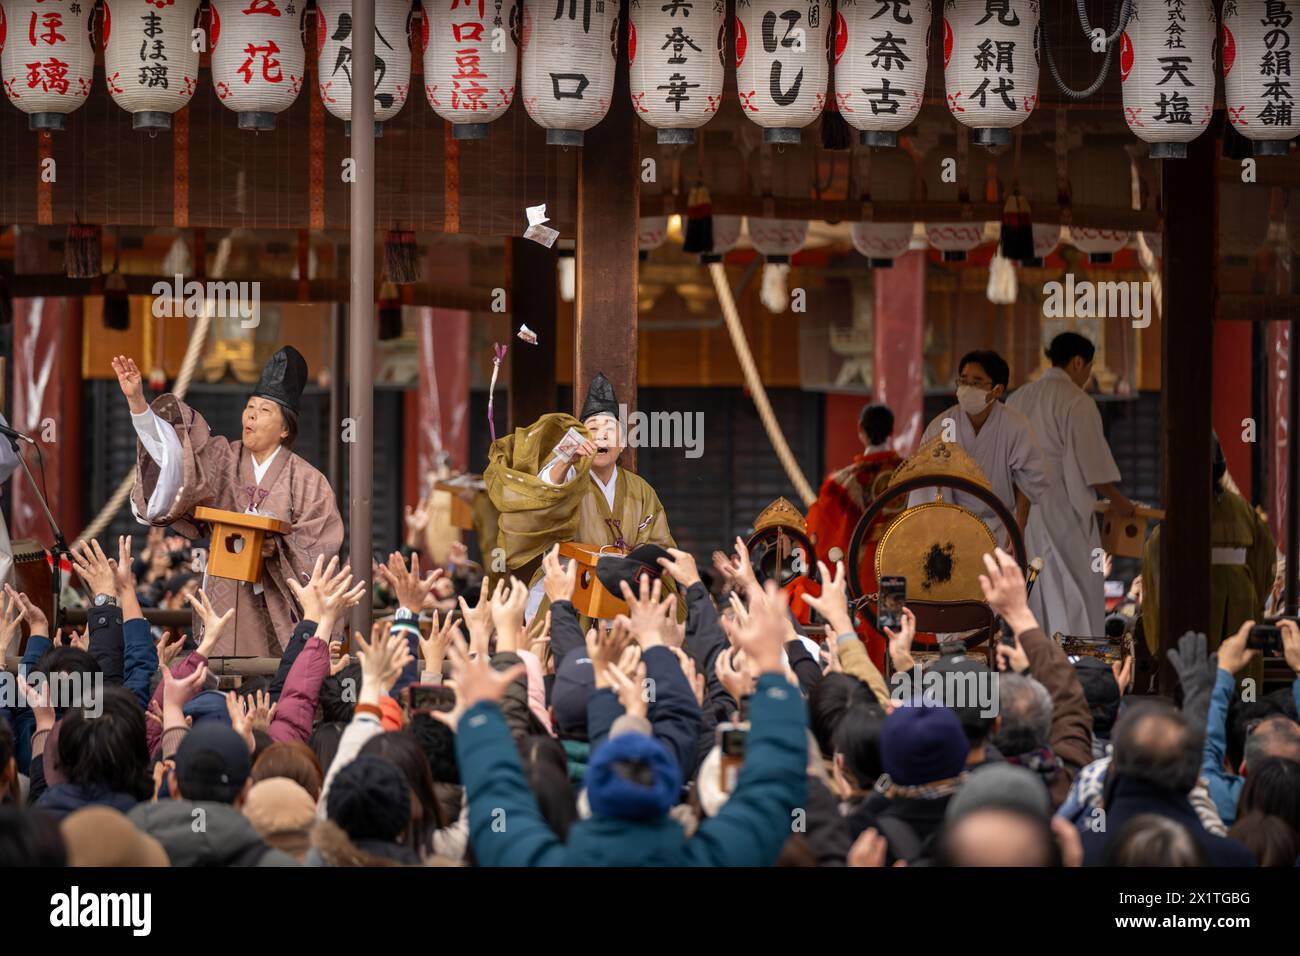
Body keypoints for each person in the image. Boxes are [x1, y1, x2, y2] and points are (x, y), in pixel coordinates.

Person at [113, 347, 344, 657]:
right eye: (250, 407)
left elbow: (320, 551)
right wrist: (138, 404)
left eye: (264, 411)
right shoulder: (223, 458)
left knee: (273, 686)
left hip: (275, 607)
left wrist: (278, 548)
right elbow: (176, 458)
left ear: (285, 428)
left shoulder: (308, 481)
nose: (251, 415)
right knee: (220, 683)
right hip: (223, 595)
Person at [485, 372, 675, 623]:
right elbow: (540, 497)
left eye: (610, 430)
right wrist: (565, 458)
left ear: (623, 444)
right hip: (568, 584)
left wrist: (639, 554)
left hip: (622, 589)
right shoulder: (569, 475)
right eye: (593, 429)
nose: (601, 436)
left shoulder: (641, 490)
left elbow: (659, 542)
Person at [1006, 333, 1134, 637]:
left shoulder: (1017, 398)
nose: (1088, 376)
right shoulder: (1077, 401)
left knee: (1036, 589)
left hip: (1022, 512)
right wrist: (1121, 504)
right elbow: (1095, 469)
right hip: (1065, 509)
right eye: (1088, 368)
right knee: (1076, 588)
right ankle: (1079, 666)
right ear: (1078, 362)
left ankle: (1037, 664)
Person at [1142, 432, 1275, 662]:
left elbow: (1155, 563)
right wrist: (1252, 595)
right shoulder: (1241, 508)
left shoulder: (1179, 510)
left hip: (1192, 594)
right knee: (1240, 670)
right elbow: (1266, 560)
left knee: (1196, 670)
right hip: (1241, 595)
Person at [909, 350, 1049, 546]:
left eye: (976, 382)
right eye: (964, 381)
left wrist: (1019, 526)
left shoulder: (1015, 426)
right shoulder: (941, 426)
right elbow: (927, 484)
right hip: (950, 530)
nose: (967, 388)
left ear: (997, 390)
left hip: (1001, 528)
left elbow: (1028, 480)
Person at [801, 402, 904, 668]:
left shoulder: (844, 481)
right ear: (892, 431)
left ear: (861, 430)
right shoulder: (909, 473)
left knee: (873, 629)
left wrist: (826, 563)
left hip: (865, 568)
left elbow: (822, 529)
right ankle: (903, 679)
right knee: (900, 623)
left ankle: (875, 685)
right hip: (903, 560)